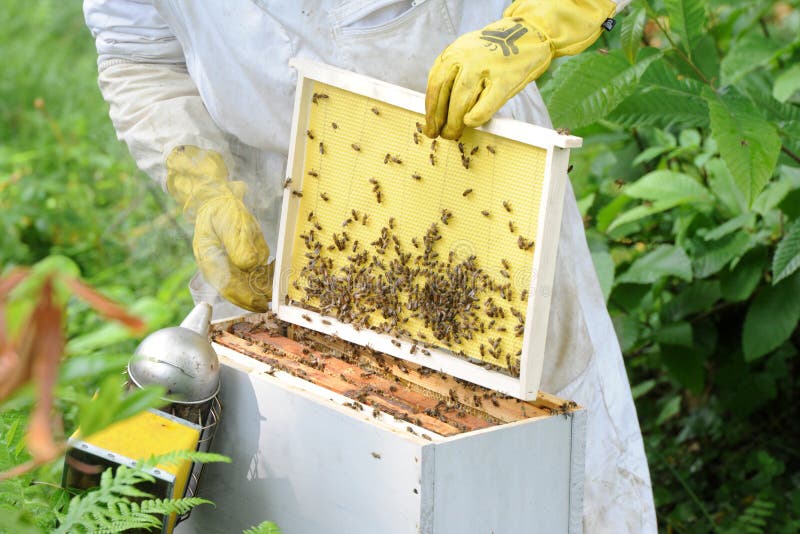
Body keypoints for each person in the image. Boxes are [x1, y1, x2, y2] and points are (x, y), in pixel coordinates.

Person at [84, 1, 656, 531]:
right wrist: (202, 185)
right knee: (281, 476)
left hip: (479, 176)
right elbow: (138, 51)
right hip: (279, 204)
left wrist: (541, 19)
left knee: (531, 470)